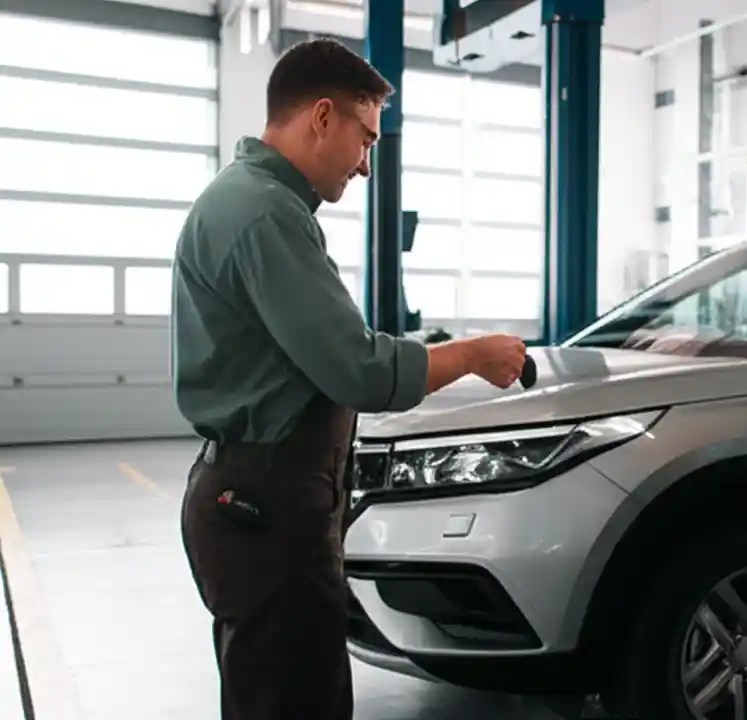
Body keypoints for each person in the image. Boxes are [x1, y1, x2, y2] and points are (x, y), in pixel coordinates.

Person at [170, 39, 527, 719]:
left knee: (277, 693)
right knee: (296, 700)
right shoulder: (266, 213)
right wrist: (474, 356)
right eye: (366, 140)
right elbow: (356, 368)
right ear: (323, 117)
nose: (366, 165)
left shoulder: (252, 202)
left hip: (258, 498)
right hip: (265, 506)